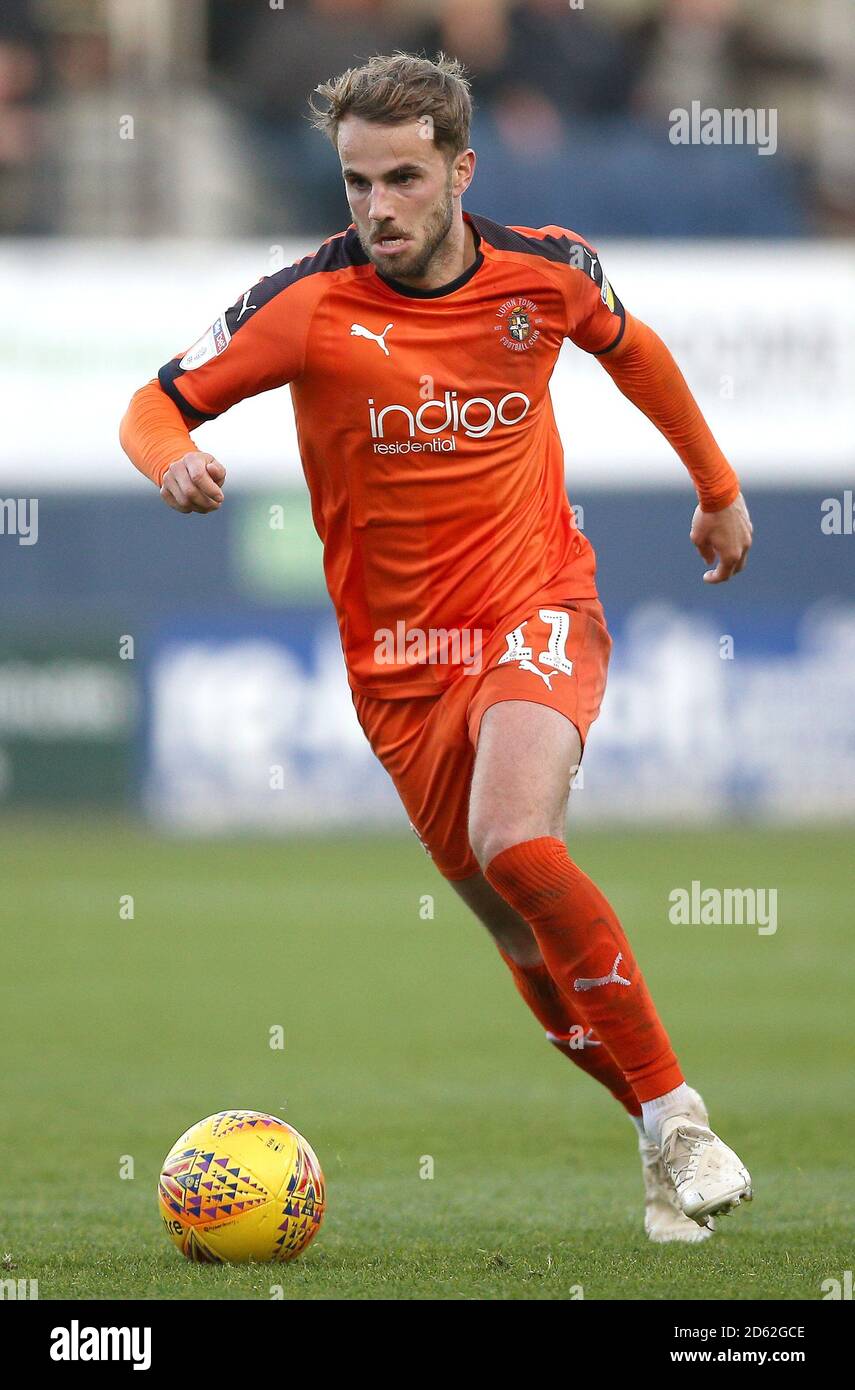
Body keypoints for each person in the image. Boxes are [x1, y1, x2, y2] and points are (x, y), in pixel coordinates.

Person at [120, 52, 754, 1243]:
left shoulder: (547, 274)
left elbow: (638, 352)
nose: (378, 208)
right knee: (518, 932)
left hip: (535, 599)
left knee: (515, 839)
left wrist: (718, 490)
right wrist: (174, 462)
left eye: (404, 178)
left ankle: (678, 1116)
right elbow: (153, 405)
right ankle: (659, 1141)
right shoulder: (304, 304)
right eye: (357, 182)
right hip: (399, 663)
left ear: (462, 170)